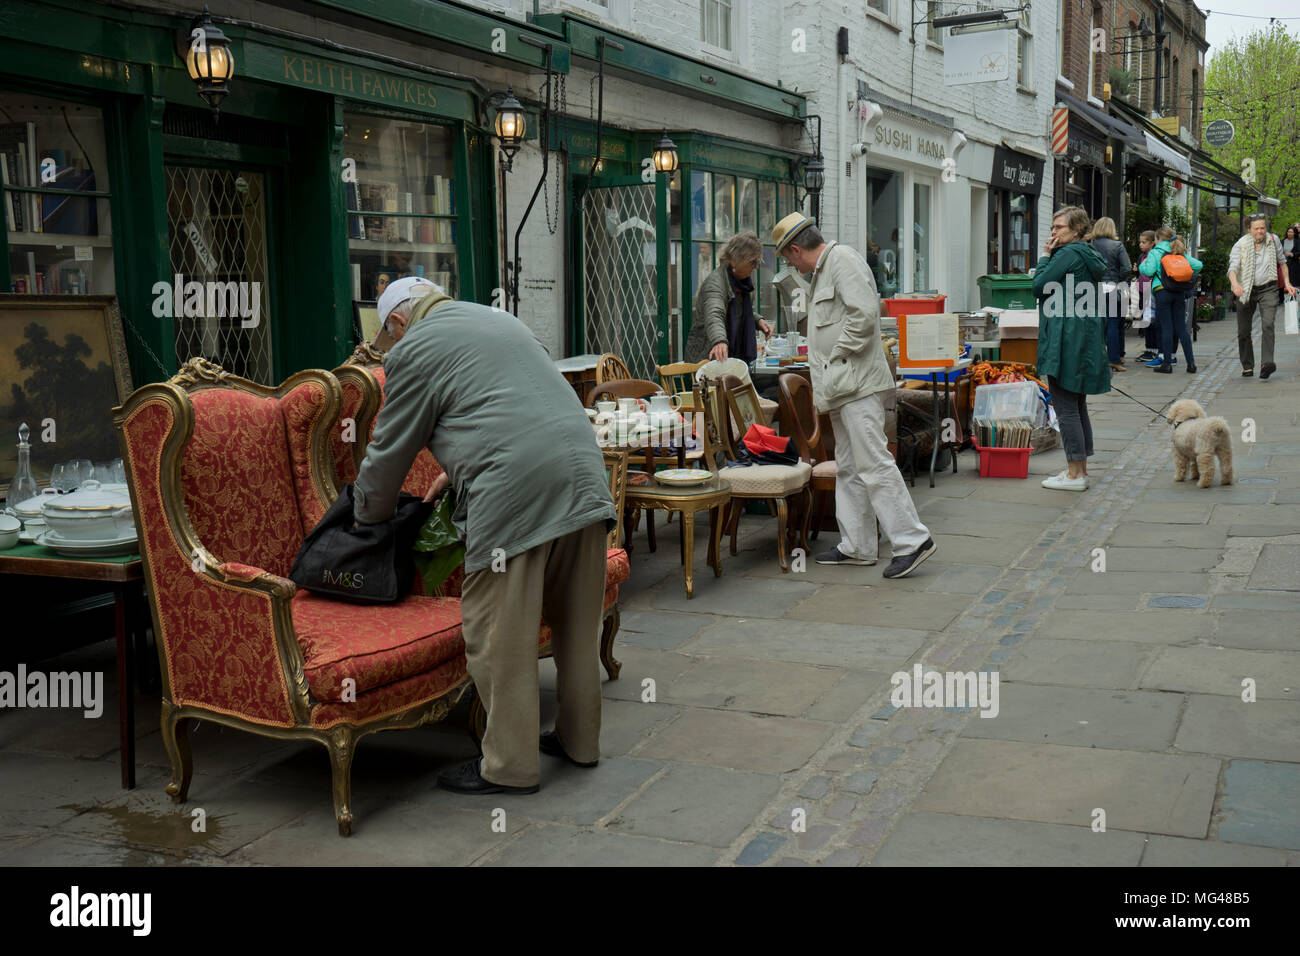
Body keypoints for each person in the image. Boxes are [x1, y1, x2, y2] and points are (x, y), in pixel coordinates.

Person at [353, 276, 616, 795]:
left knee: (497, 635)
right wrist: (458, 468)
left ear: (399, 322)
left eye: (389, 339)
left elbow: (389, 453)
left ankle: (509, 766)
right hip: (585, 479)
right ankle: (580, 742)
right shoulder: (502, 319)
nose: (391, 350)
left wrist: (365, 516)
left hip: (516, 495)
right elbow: (516, 406)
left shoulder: (415, 349)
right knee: (577, 628)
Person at [771, 212, 936, 579]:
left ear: (796, 250)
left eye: (788, 257)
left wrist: (835, 360)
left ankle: (912, 540)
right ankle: (857, 546)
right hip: (843, 386)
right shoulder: (825, 271)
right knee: (849, 466)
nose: (790, 264)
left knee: (874, 462)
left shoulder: (841, 261)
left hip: (855, 383)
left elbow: (864, 317)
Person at [1033, 206, 1109, 491]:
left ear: (1077, 230)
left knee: (1065, 406)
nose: (1054, 232)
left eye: (1059, 227)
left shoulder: (1066, 254)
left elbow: (1039, 286)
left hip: (1066, 337)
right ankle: (1080, 469)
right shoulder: (1087, 254)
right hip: (1085, 336)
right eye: (1052, 227)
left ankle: (1075, 474)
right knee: (1077, 405)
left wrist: (1044, 256)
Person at [683, 232, 774, 363]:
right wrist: (719, 340)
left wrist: (757, 320)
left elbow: (736, 311)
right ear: (734, 260)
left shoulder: (742, 283)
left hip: (728, 356)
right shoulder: (715, 283)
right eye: (752, 262)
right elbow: (715, 314)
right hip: (708, 359)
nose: (756, 267)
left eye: (758, 261)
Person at [1228, 213, 1297, 379]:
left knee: (1268, 324)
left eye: (1263, 228)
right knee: (1244, 331)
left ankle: (1267, 364)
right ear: (1249, 229)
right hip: (1245, 289)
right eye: (1257, 228)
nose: (1260, 231)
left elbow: (1283, 263)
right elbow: (1233, 268)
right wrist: (1235, 284)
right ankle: (1247, 365)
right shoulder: (1241, 244)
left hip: (1269, 288)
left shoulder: (1273, 241)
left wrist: (1287, 282)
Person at [1139, 227, 1202, 374]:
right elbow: (1198, 265)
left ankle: (1166, 364)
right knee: (1181, 329)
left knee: (1166, 328)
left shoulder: (1155, 252)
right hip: (1179, 292)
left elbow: (1148, 271)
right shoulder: (1178, 251)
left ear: (1157, 239)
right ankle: (1191, 364)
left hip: (1162, 292)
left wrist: (1142, 264)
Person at [1087, 216, 1132, 372]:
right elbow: (1127, 267)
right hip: (1113, 287)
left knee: (1099, 325)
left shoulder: (1090, 245)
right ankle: (1114, 359)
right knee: (1114, 324)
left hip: (1094, 288)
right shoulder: (1117, 245)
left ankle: (1103, 357)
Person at [1131, 230, 1158, 362]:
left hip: (1151, 291)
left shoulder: (1153, 256)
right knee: (1146, 320)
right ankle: (1150, 349)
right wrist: (1136, 271)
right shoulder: (1141, 256)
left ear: (1152, 243)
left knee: (1151, 321)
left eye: (1144, 242)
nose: (1141, 245)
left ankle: (1153, 349)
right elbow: (1140, 274)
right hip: (1142, 290)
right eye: (1140, 242)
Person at [1284, 225, 1300, 290]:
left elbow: (1299, 252)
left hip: (1294, 265)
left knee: (1294, 284)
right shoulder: (1282, 241)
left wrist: (1291, 254)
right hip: (1285, 264)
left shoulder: (1297, 241)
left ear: (1294, 233)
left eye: (1291, 232)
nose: (1290, 233)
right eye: (1288, 232)